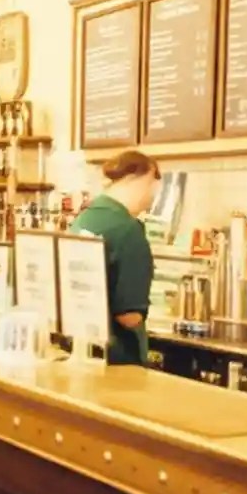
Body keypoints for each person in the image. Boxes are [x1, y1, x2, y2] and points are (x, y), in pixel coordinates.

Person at [70, 150, 160, 366]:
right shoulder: (128, 230)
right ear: (137, 180)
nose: (151, 197)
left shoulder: (84, 219)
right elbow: (129, 316)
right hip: (119, 361)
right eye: (152, 187)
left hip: (81, 351)